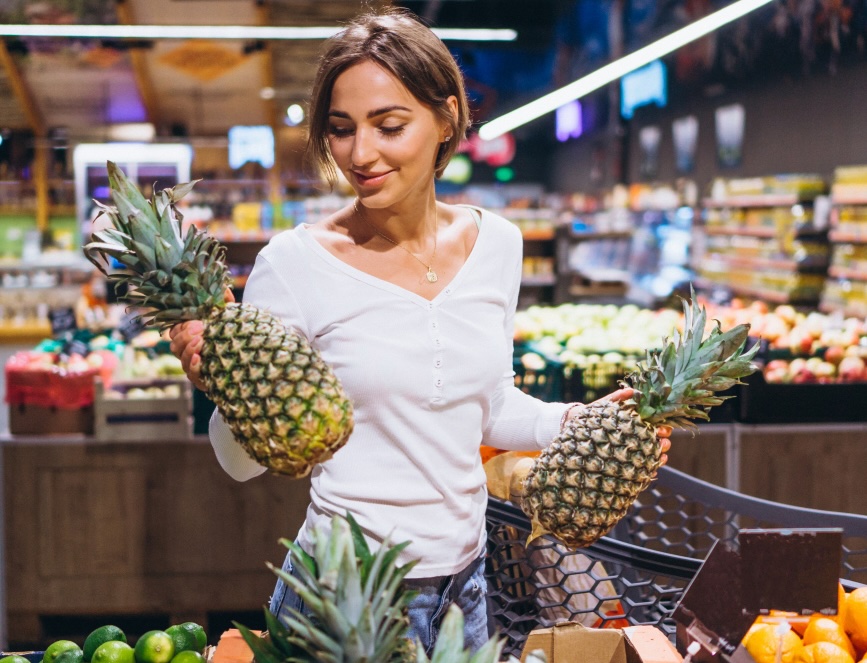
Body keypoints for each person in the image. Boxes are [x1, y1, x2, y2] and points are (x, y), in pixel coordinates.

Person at [168, 7, 672, 654]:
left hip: (466, 585)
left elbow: (485, 408)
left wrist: (573, 422)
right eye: (342, 129)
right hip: (347, 597)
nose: (361, 153)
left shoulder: (497, 244)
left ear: (446, 117)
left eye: (389, 125)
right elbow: (238, 465)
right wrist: (219, 385)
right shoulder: (295, 265)